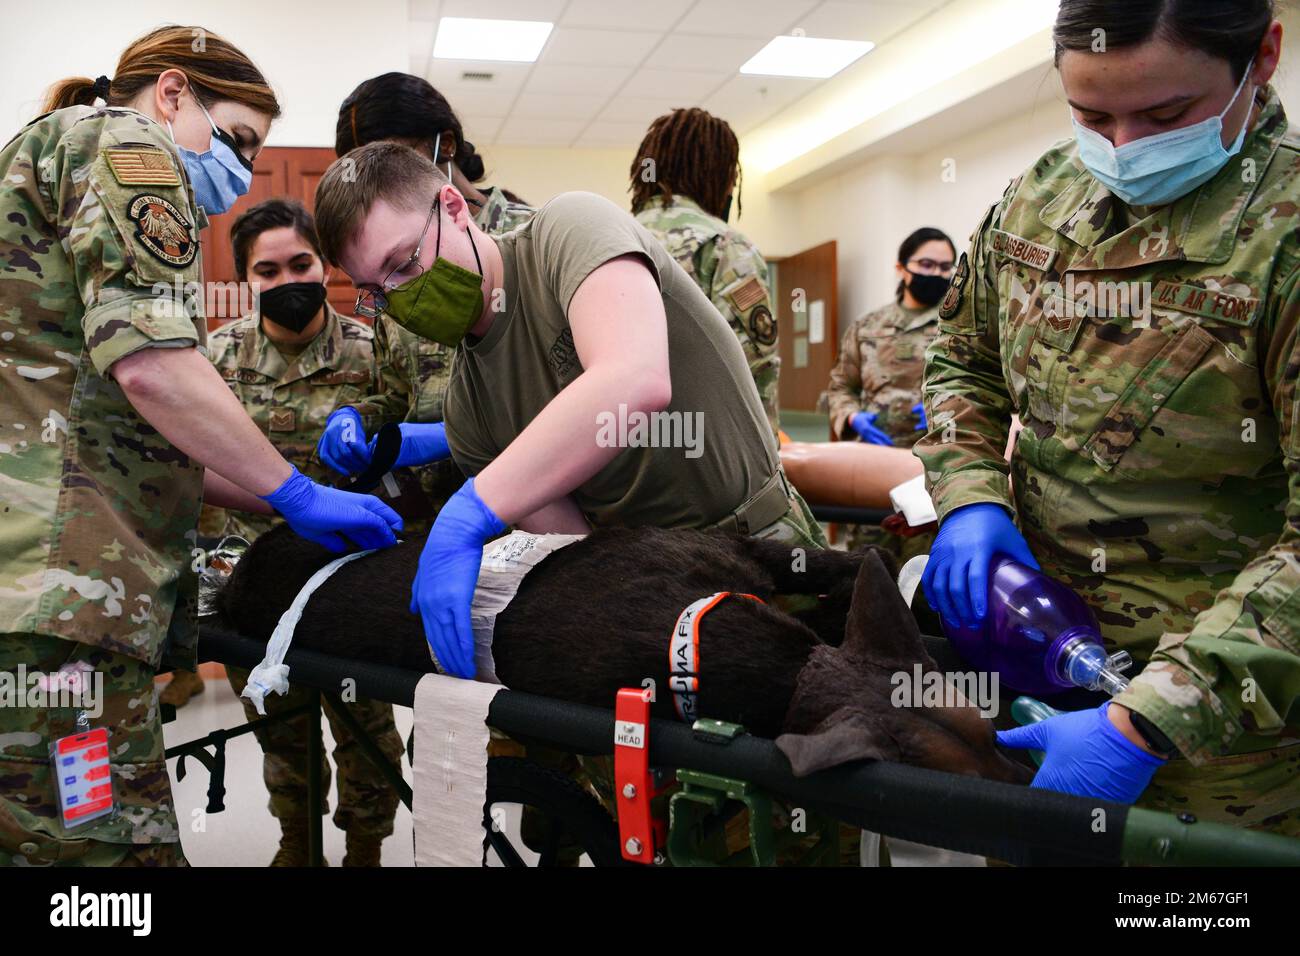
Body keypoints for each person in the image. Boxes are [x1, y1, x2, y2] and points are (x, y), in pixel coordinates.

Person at [0, 26, 401, 867]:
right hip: (61, 596)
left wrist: (283, 498)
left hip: (40, 587)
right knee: (102, 855)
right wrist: (298, 493)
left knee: (51, 836)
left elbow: (136, 428)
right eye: (240, 141)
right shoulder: (129, 146)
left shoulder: (49, 156)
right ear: (174, 93)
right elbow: (153, 373)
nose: (241, 172)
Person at [915, 0, 1300, 834]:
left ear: (1263, 56)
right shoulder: (1040, 198)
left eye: (1166, 115)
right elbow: (962, 362)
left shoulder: (1285, 241)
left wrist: (1146, 722)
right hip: (1031, 675)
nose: (1122, 151)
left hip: (1231, 749)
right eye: (1091, 114)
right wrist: (972, 496)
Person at [312, 141, 827, 681]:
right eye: (375, 289)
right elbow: (581, 553)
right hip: (660, 591)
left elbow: (635, 380)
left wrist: (469, 511)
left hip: (769, 553)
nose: (398, 295)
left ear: (455, 207)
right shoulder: (470, 413)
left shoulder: (567, 231)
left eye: (403, 263)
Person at [203, 198, 404, 865]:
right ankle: (298, 843)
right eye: (267, 270)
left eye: (301, 263)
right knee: (282, 730)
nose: (287, 280)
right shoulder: (215, 358)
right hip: (252, 581)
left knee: (365, 725)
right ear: (246, 280)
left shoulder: (372, 348)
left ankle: (365, 850)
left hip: (351, 577)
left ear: (325, 266)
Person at [318, 74, 534, 531]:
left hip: (532, 512)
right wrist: (358, 418)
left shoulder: (533, 243)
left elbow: (583, 394)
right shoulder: (383, 273)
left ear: (446, 145)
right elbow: (397, 393)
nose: (377, 186)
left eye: (395, 159)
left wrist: (455, 436)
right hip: (427, 520)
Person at [630, 108, 781, 437]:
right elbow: (755, 366)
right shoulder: (725, 245)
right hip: (701, 449)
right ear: (719, 174)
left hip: (607, 448)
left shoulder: (606, 236)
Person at [826, 227, 956, 559]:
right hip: (873, 467)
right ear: (901, 268)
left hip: (933, 469)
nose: (936, 274)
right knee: (870, 564)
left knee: (925, 570)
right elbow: (840, 386)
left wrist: (948, 410)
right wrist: (852, 416)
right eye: (926, 264)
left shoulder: (959, 325)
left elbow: (990, 390)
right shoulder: (868, 326)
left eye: (945, 267)